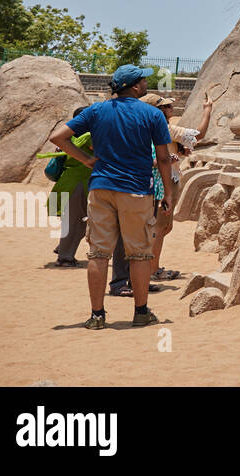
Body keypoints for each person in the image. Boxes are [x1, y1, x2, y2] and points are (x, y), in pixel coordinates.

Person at [49, 63, 173, 329]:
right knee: (139, 253)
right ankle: (141, 312)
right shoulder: (152, 114)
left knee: (98, 253)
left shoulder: (96, 110)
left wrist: (87, 160)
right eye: (143, 81)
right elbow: (163, 157)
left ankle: (97, 316)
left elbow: (58, 137)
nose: (146, 85)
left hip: (101, 188)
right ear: (136, 86)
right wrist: (168, 194)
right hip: (137, 190)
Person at [139, 90, 213, 280]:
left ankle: (148, 267)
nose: (172, 108)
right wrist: (207, 110)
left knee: (158, 227)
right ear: (159, 111)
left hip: (148, 180)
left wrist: (176, 153)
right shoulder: (164, 128)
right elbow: (199, 135)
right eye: (167, 106)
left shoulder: (141, 127)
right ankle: (152, 270)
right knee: (160, 227)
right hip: (163, 181)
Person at [38, 106, 95, 266]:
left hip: (67, 182)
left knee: (77, 221)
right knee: (78, 221)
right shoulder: (89, 136)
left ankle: (63, 247)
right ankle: (64, 257)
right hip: (79, 183)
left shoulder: (71, 137)